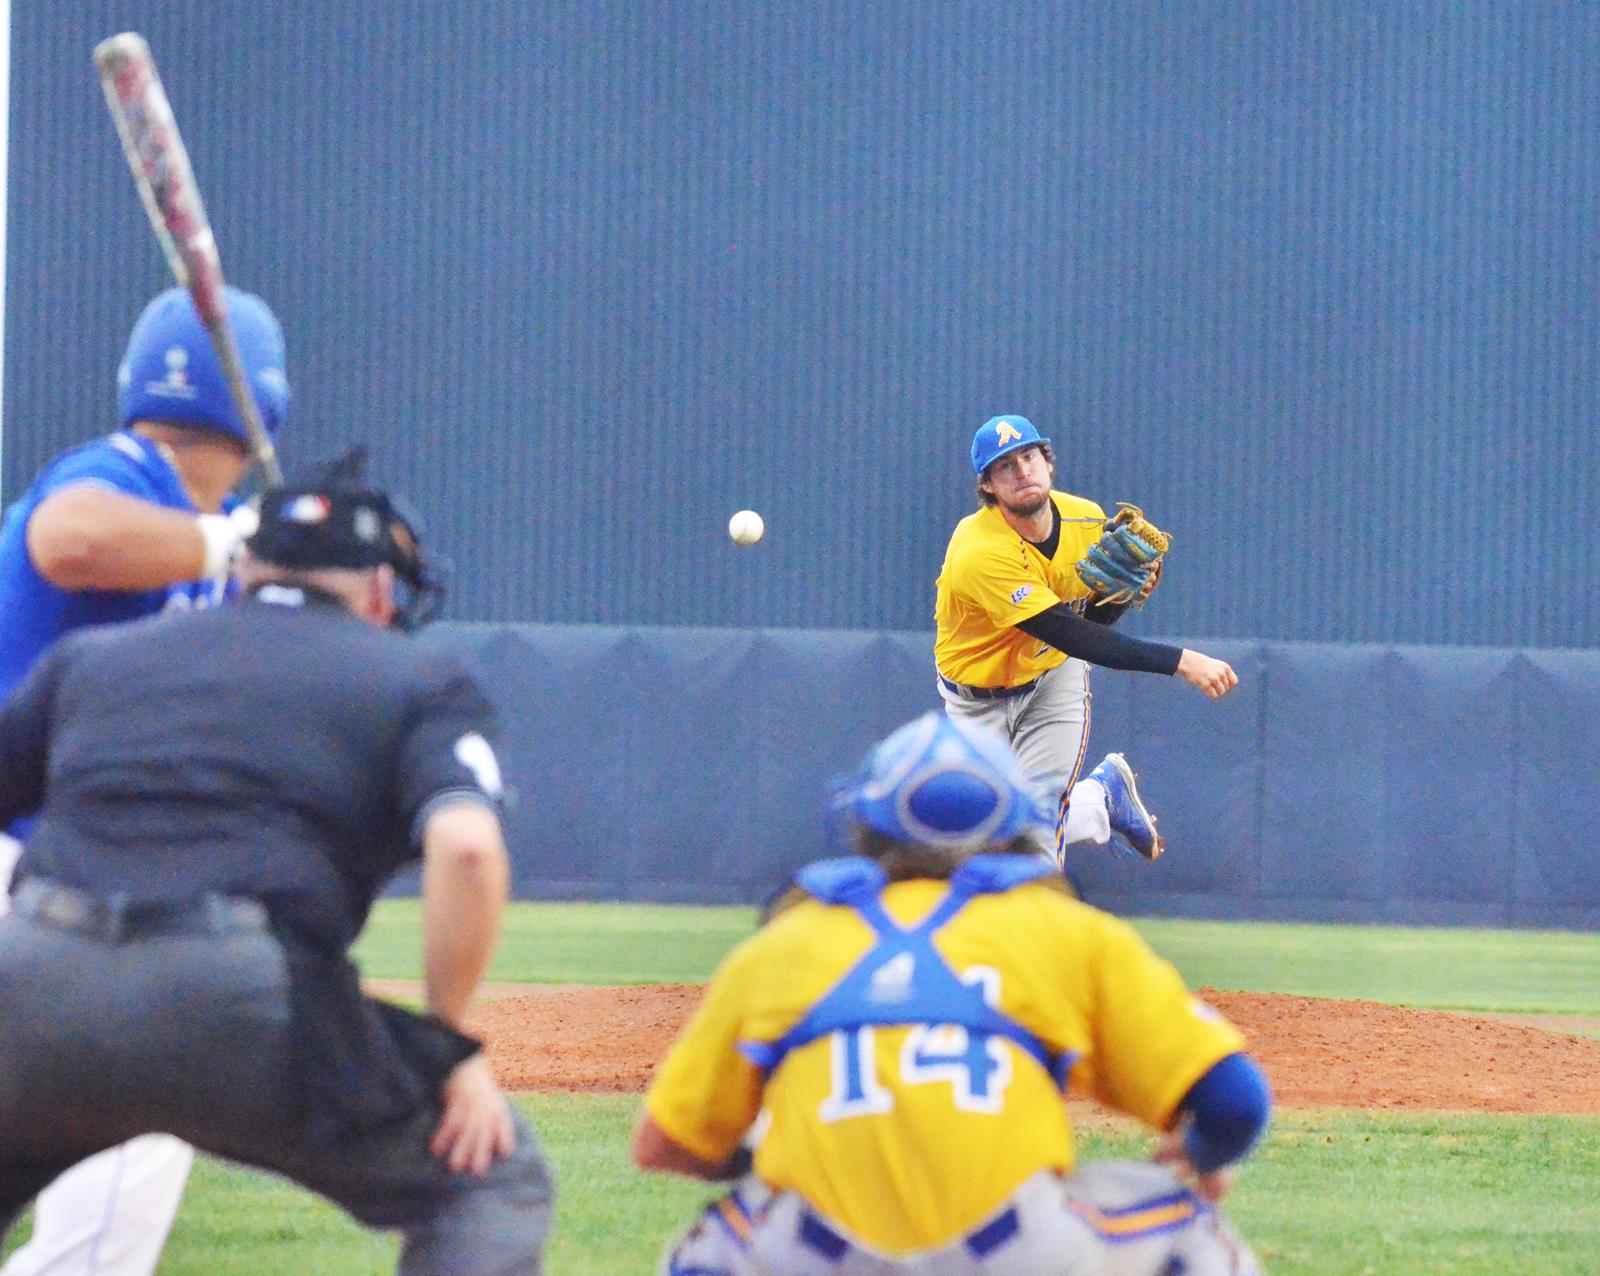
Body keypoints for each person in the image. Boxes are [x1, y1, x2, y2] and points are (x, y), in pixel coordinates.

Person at [0, 455, 554, 1273]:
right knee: (490, 1181)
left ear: (245, 568)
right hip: (241, 998)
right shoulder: (419, 679)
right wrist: (450, 1045)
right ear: (377, 590)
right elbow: (467, 848)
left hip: (35, 982)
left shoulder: (100, 659)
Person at [635, 711, 1271, 1275]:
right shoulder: (1065, 932)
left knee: (714, 1247)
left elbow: (661, 1143)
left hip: (816, 1251)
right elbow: (1236, 1102)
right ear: (1020, 826)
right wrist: (1199, 1154)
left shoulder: (785, 943)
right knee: (1188, 1226)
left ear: (866, 824)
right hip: (1013, 1251)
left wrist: (761, 1165)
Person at [0, 284, 289, 1276]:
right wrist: (237, 543)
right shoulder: (119, 477)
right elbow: (68, 539)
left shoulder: (223, 531)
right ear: (264, 401)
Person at [934, 414, 1239, 868]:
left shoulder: (1086, 518)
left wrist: (1122, 593)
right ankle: (1098, 801)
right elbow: (1070, 633)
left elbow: (1089, 621)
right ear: (989, 488)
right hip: (977, 700)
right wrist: (1181, 660)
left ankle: (1037, 934)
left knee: (1037, 819)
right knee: (977, 837)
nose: (1022, 471)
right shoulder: (980, 551)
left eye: (1029, 456)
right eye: (1005, 466)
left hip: (1053, 682)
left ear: (1048, 463)